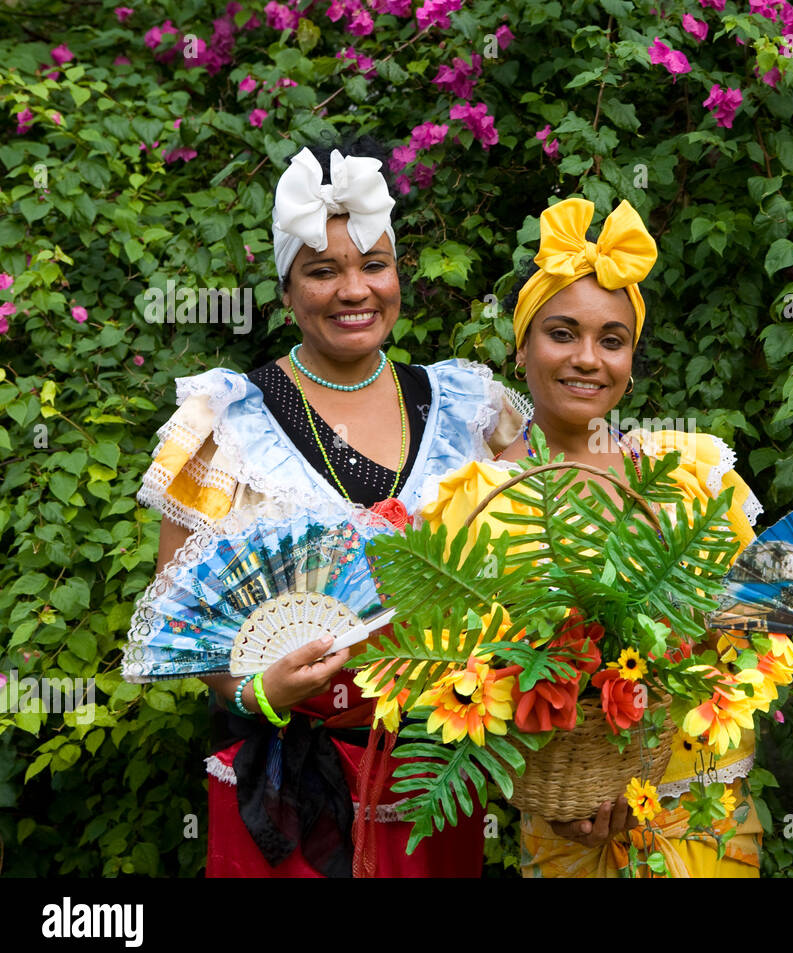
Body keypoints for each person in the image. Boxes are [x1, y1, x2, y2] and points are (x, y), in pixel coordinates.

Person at [136, 136, 521, 877]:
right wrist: (257, 688)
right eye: (323, 270)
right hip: (285, 789)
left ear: (397, 273)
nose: (355, 290)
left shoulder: (470, 411)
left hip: (432, 781)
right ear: (286, 289)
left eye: (374, 264)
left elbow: (530, 582)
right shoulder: (229, 424)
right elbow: (188, 625)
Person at [412, 197, 766, 876]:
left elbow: (752, 637)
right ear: (521, 347)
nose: (587, 359)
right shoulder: (474, 502)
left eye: (612, 339)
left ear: (632, 358)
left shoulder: (688, 476)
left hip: (704, 825)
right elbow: (448, 688)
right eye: (562, 332)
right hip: (567, 832)